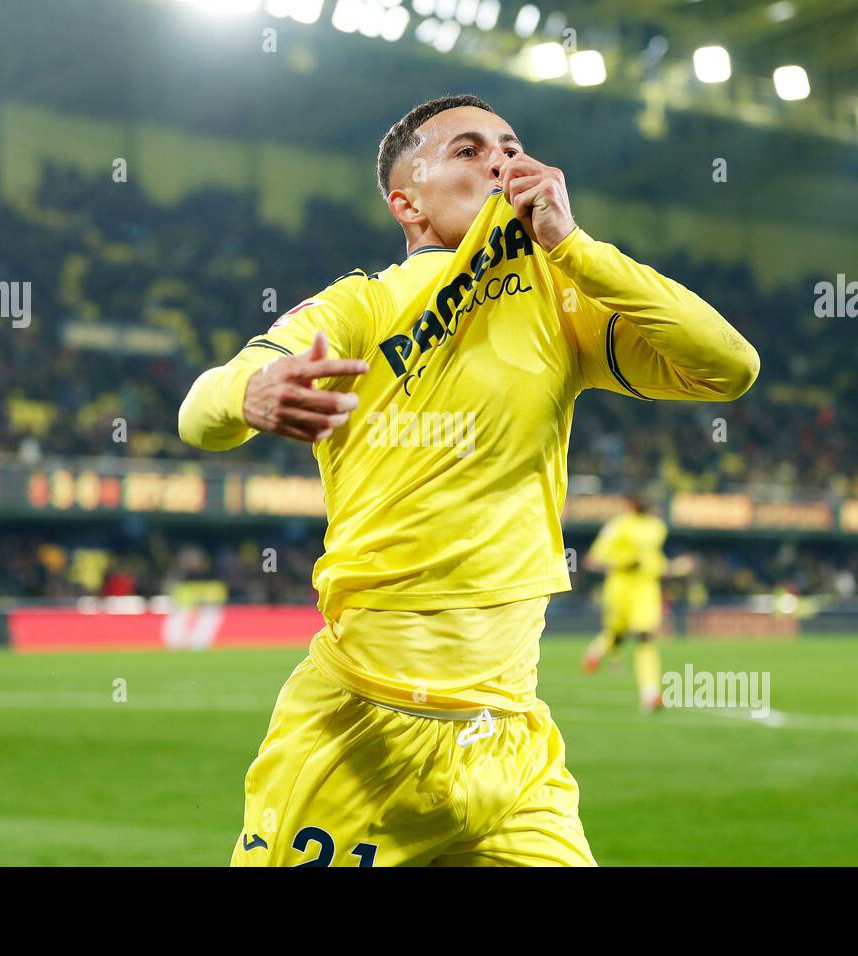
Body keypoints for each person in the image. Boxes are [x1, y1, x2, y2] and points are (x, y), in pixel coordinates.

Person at [179, 94, 759, 866]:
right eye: (467, 149)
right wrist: (246, 393)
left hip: (511, 745)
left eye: (511, 145)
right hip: (362, 730)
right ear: (405, 201)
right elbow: (200, 410)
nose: (501, 158)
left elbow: (730, 368)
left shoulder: (565, 307)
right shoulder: (366, 301)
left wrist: (573, 245)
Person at [580, 496, 669, 713]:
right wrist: (624, 563)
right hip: (620, 588)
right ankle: (596, 652)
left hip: (646, 588)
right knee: (617, 634)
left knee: (645, 636)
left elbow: (653, 556)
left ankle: (650, 694)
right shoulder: (618, 526)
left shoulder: (657, 528)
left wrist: (664, 568)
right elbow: (593, 559)